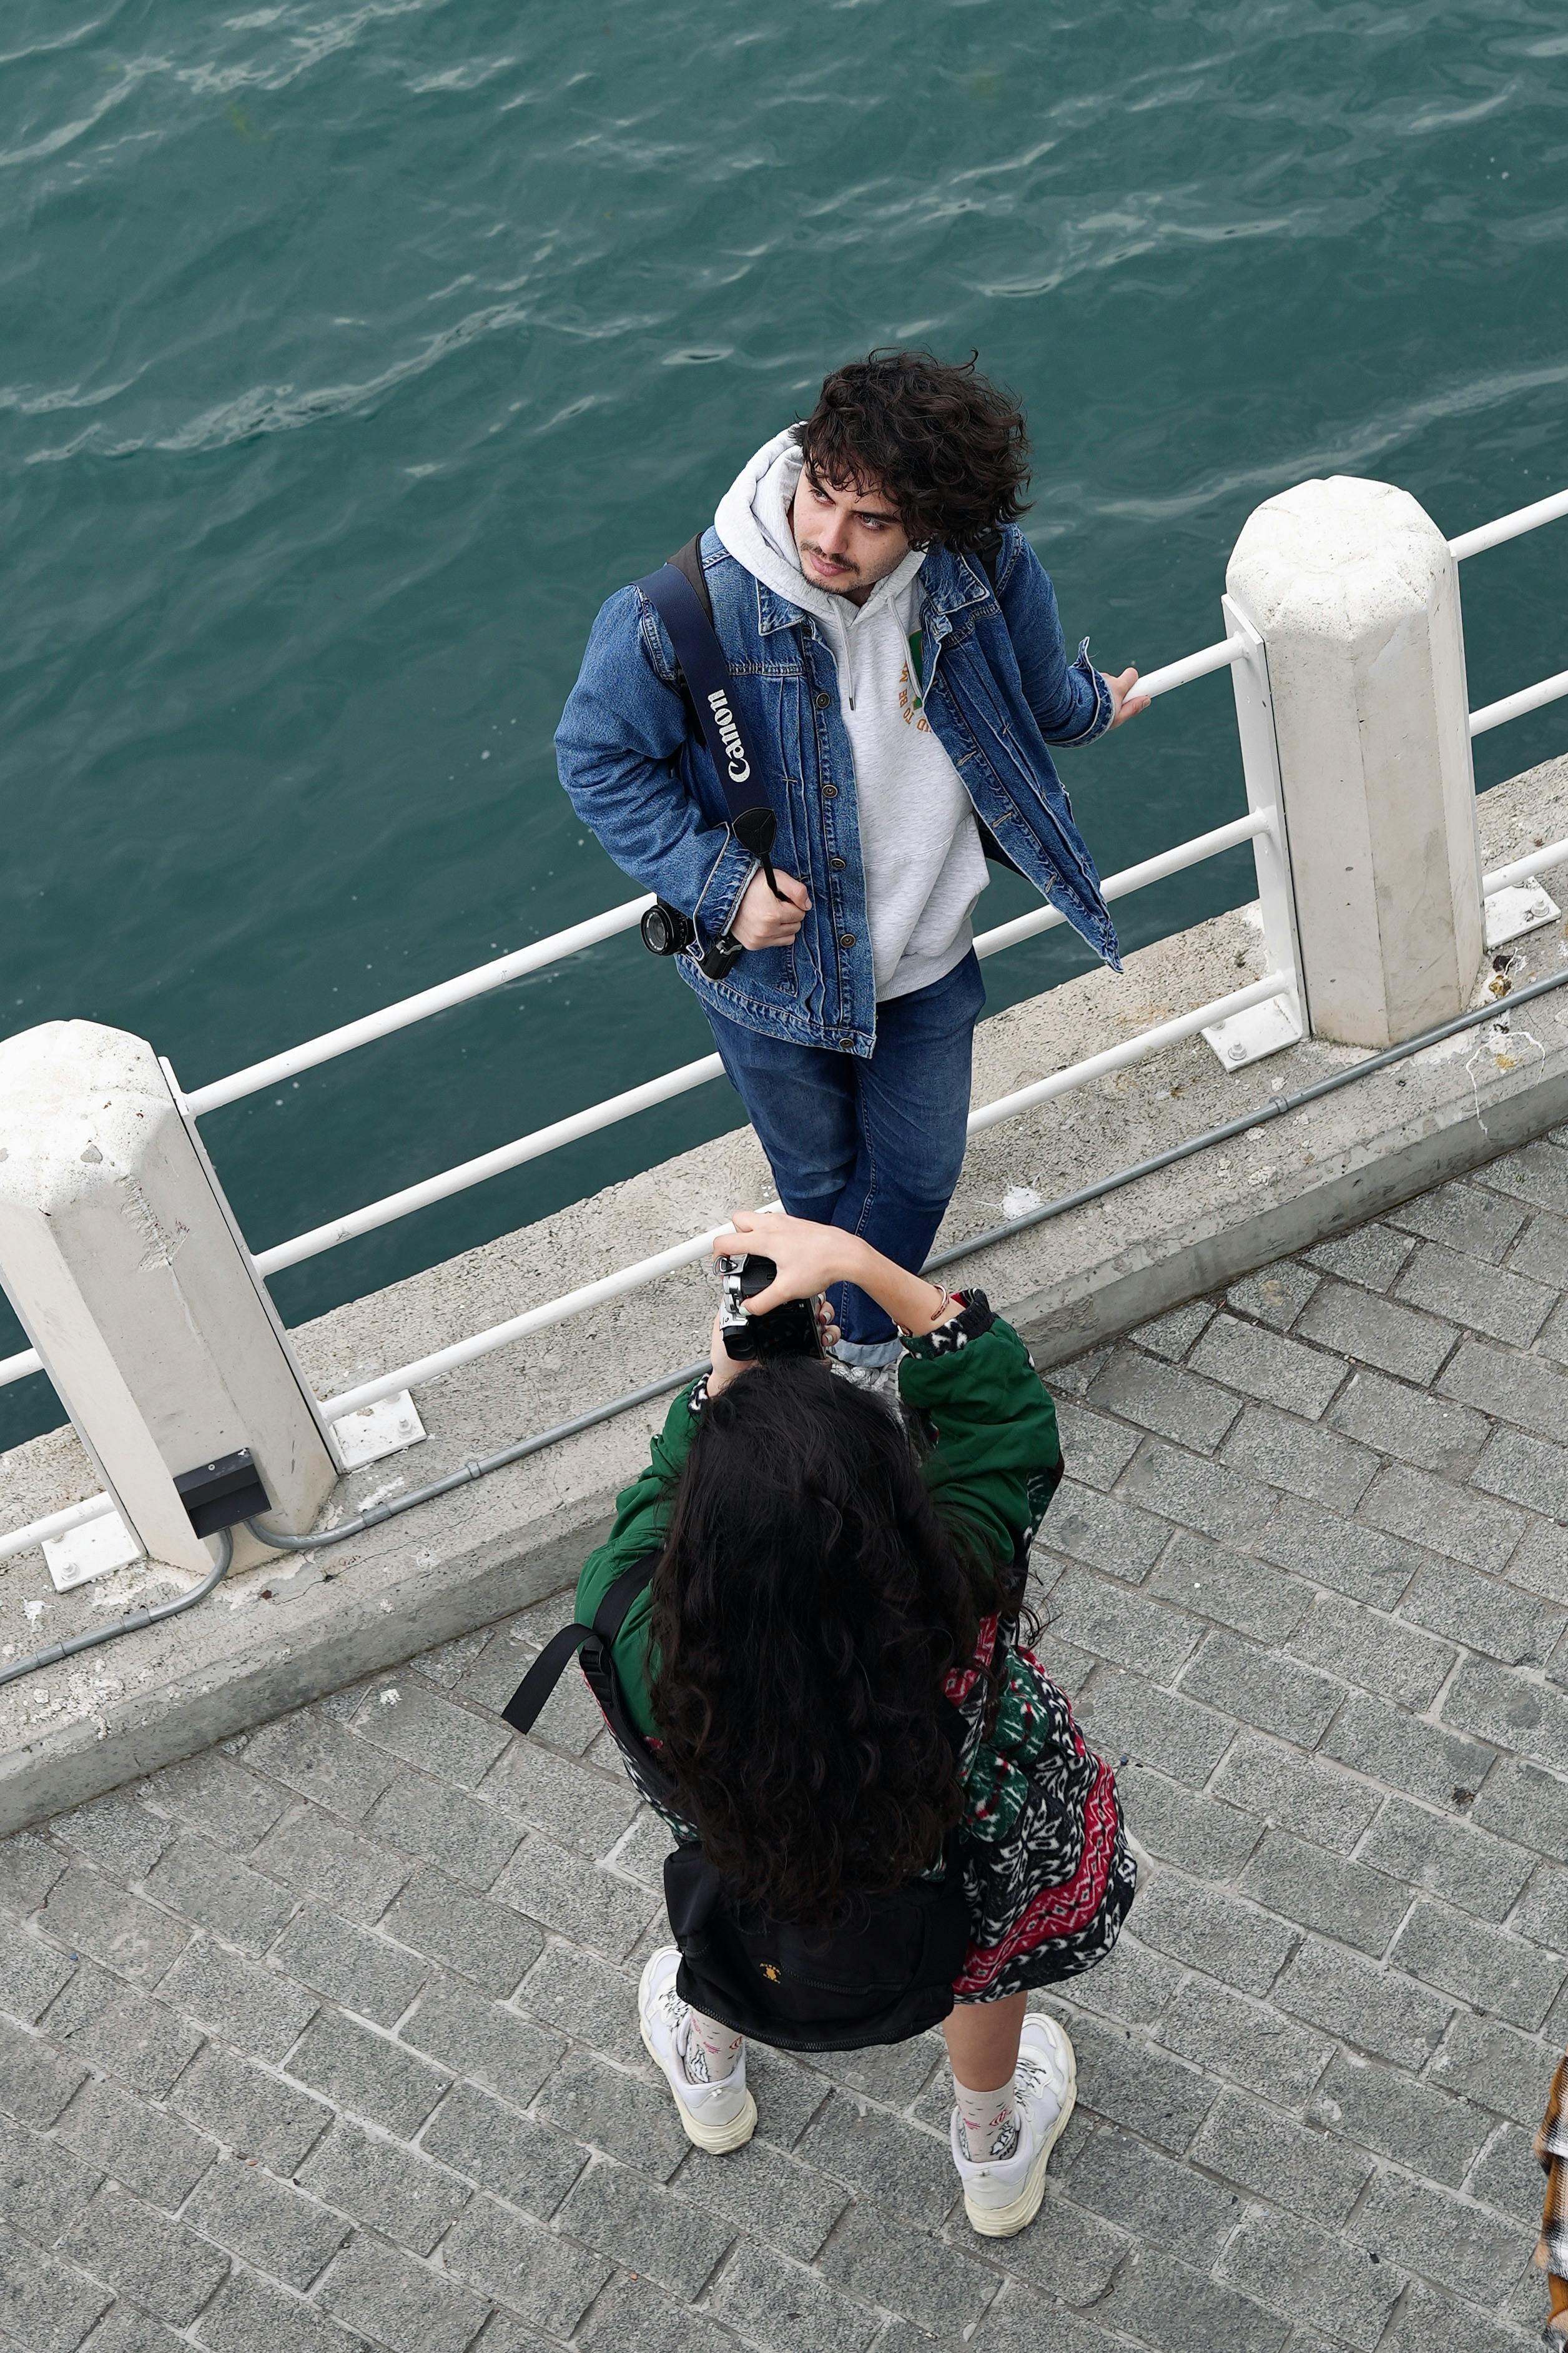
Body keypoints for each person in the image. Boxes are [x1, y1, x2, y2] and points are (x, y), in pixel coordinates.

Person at [556, 351, 1147, 1375]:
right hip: (770, 982)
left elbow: (1045, 695)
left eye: (871, 521)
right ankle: (830, 1363)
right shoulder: (682, 612)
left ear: (930, 520)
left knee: (918, 1176)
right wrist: (720, 887)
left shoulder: (985, 565)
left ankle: (843, 1350)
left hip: (926, 951)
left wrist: (1097, 708)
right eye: (824, 498)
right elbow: (596, 759)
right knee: (821, 1183)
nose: (829, 537)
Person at [573, 1209, 1135, 2237]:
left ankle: (708, 2075)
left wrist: (724, 1389)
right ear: (894, 1505)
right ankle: (991, 2155)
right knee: (986, 1959)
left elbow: (654, 1498)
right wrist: (869, 1268)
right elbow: (1003, 1424)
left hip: (745, 1842)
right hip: (958, 1855)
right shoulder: (952, 1580)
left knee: (734, 1908)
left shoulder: (634, 1622)